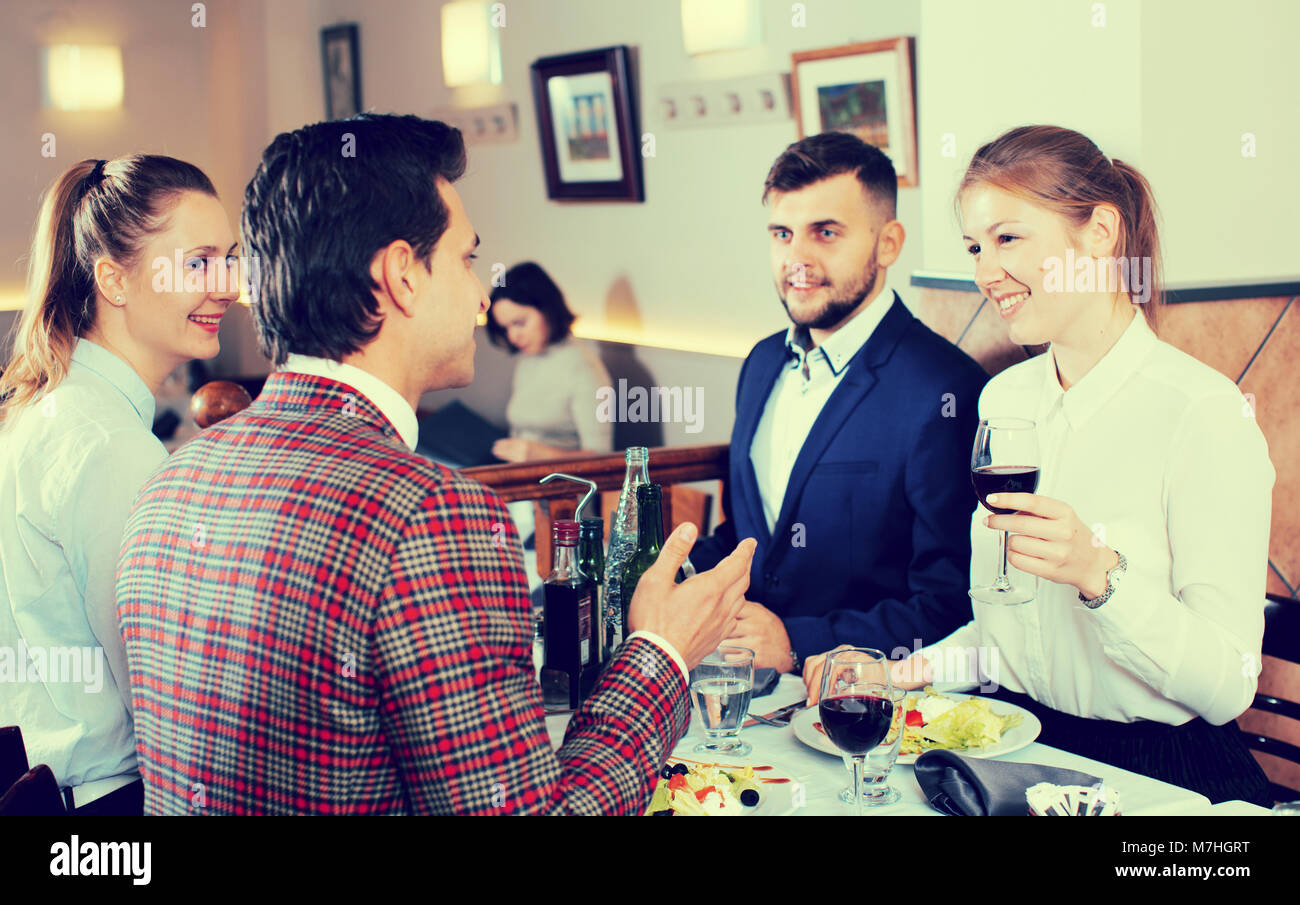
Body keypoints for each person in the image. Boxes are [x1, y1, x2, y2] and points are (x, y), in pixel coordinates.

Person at [115, 114, 757, 815]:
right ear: (401, 276)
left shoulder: (168, 483)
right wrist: (661, 650)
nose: (481, 296)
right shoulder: (432, 513)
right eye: (465, 260)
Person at [807, 125, 1274, 807]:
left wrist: (1099, 575)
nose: (984, 272)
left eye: (1008, 238)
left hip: (1161, 774)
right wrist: (898, 673)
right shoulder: (1006, 399)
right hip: (1020, 753)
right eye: (974, 246)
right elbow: (1005, 640)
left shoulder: (1202, 413)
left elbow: (1229, 684)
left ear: (1100, 232)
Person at [688, 132, 989, 674]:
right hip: (736, 691)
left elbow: (952, 606)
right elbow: (746, 539)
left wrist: (796, 641)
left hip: (864, 712)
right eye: (782, 233)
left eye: (825, 233)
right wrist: (675, 582)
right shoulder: (760, 365)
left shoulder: (945, 389)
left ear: (889, 243)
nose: (796, 258)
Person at [0, 155, 239, 815]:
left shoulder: (50, 404)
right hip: (109, 804)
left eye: (231, 258)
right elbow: (162, 694)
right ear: (114, 279)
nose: (226, 284)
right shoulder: (107, 442)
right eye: (198, 262)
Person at [487, 261, 613, 461]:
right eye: (506, 328)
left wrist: (540, 455)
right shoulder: (527, 360)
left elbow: (602, 459)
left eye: (520, 323)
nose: (512, 337)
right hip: (520, 480)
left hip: (561, 487)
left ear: (547, 310)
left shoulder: (584, 368)